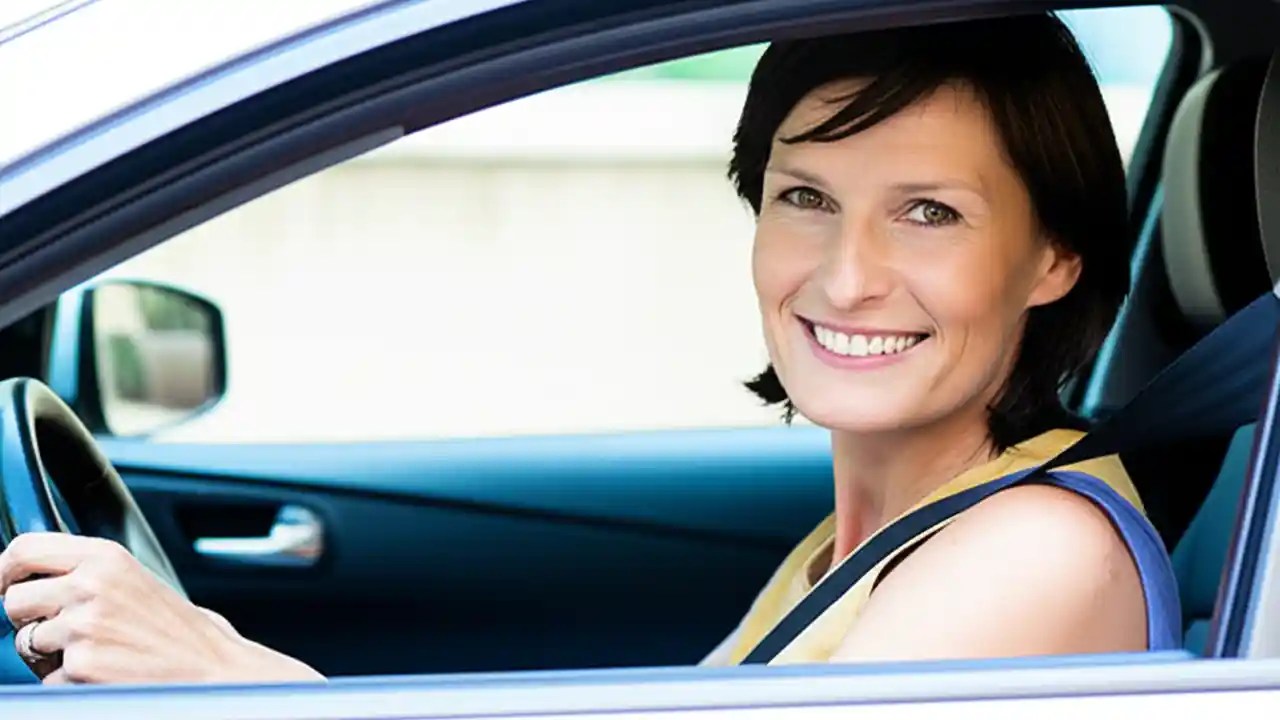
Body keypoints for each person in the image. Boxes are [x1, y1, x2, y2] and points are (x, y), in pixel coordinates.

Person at [0, 13, 1180, 684]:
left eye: (928, 213)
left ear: (1053, 258)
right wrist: (220, 657)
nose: (843, 274)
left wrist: (231, 685)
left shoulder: (1034, 550)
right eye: (804, 196)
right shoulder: (873, 541)